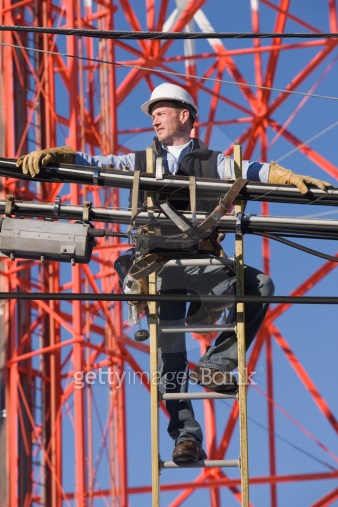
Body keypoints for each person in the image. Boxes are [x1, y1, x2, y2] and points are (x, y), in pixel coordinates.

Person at [16, 83, 331, 464]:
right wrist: (61, 156)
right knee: (171, 359)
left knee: (259, 284)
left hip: (202, 266)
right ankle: (186, 436)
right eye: (153, 113)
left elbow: (256, 170)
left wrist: (287, 177)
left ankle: (217, 364)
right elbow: (98, 164)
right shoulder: (142, 161)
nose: (154, 118)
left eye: (161, 111)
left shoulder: (216, 161)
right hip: (157, 269)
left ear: (185, 116)